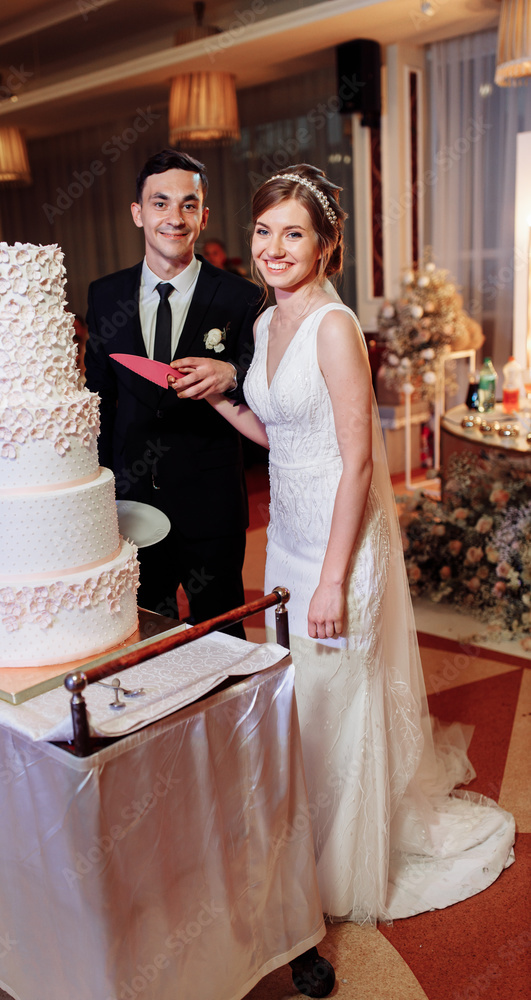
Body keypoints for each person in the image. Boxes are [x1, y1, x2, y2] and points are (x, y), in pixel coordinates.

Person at [172, 164, 515, 923]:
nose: (273, 247)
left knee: (341, 691)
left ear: (325, 246)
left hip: (342, 541)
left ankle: (346, 861)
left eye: (293, 234)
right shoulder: (264, 325)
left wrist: (332, 580)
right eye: (264, 231)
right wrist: (221, 397)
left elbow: (358, 459)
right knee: (303, 694)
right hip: (288, 536)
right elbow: (281, 435)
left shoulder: (335, 327)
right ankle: (307, 833)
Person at [85, 149, 262, 635]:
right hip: (132, 498)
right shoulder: (106, 294)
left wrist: (233, 373)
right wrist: (101, 494)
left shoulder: (241, 296)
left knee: (224, 635)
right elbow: (98, 400)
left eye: (189, 204)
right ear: (138, 213)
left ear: (203, 217)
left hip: (211, 500)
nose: (175, 217)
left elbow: (268, 383)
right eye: (160, 203)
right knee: (143, 634)